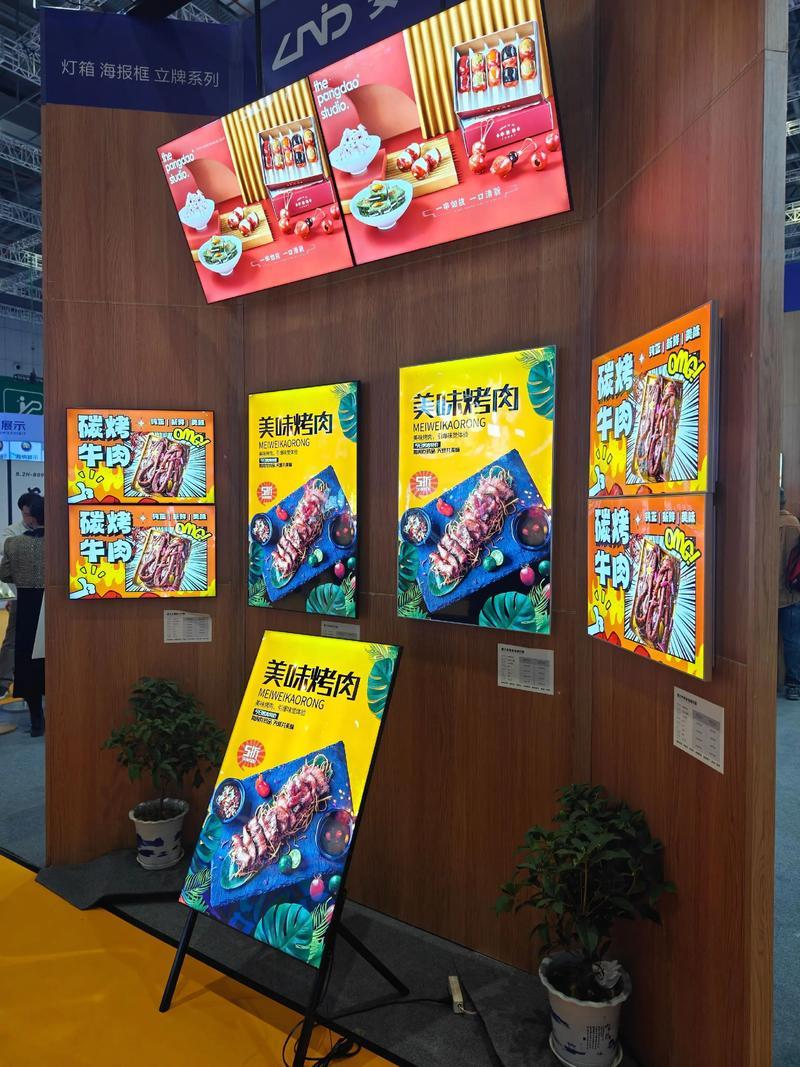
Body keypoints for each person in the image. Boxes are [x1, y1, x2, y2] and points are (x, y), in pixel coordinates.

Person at [0, 494, 45, 735]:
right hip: (54, 607)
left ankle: (37, 721)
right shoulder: (63, 542)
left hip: (27, 606)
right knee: (53, 660)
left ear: (31, 517)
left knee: (27, 661)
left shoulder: (14, 544)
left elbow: (5, 574)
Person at [779, 488, 800, 700]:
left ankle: (765, 679)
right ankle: (793, 684)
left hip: (767, 594)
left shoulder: (765, 524)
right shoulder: (795, 523)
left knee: (764, 640)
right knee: (792, 640)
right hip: (792, 592)